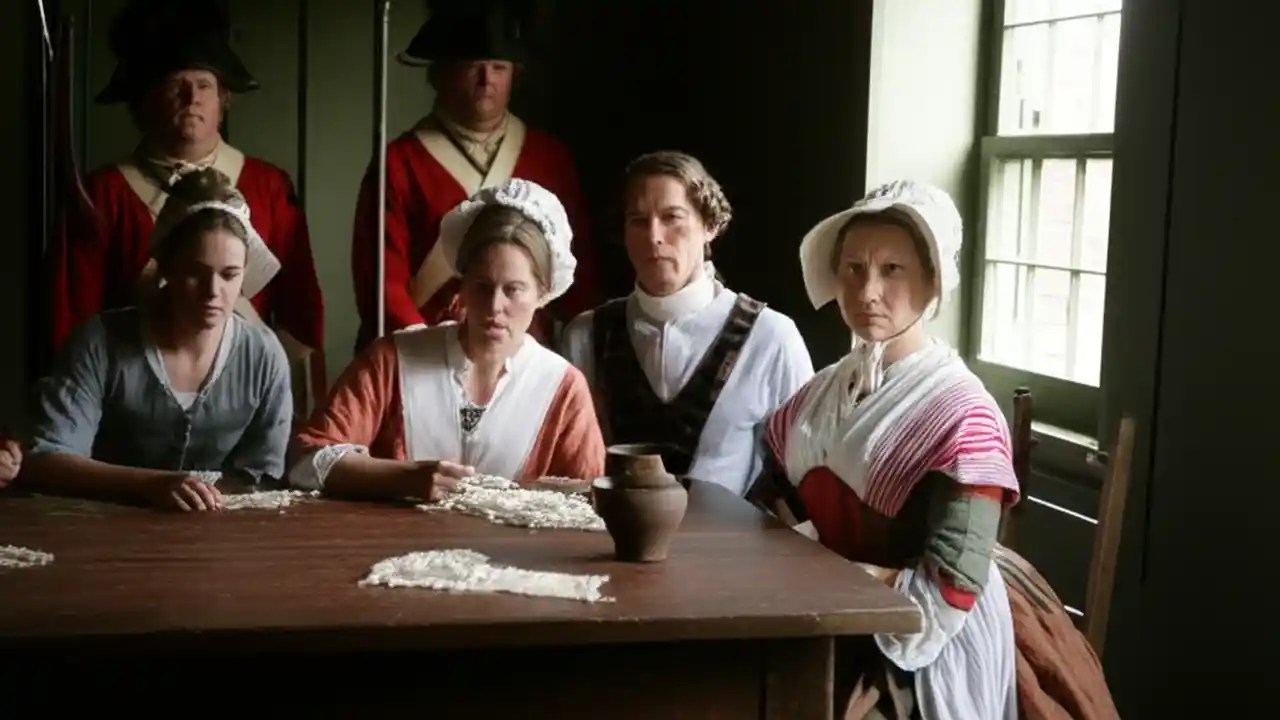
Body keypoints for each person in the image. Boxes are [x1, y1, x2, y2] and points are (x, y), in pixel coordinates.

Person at [750, 180, 1117, 718]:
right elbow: (775, 494)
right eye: (854, 268)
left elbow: (952, 581)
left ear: (932, 280)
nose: (867, 290)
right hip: (826, 613)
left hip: (928, 632)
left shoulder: (963, 412)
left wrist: (832, 575)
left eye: (891, 270)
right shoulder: (819, 394)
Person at [48, 0, 326, 406]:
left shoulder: (269, 186)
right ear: (144, 98)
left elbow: (301, 311)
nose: (191, 97)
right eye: (175, 84)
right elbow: (71, 320)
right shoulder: (103, 194)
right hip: (131, 400)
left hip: (245, 395)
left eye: (204, 84)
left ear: (224, 98)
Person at [292, 178, 603, 501]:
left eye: (513, 290)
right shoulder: (393, 360)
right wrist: (400, 477)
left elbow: (589, 502)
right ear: (462, 284)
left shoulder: (562, 388)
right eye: (482, 286)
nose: (495, 306)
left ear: (542, 292)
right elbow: (308, 460)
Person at [24, 170, 294, 512]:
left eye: (229, 275)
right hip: (103, 526)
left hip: (222, 535)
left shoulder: (263, 355)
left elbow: (264, 476)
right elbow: (48, 458)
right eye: (196, 272)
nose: (213, 292)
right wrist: (149, 484)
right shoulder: (101, 343)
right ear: (167, 267)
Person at [350, 0, 599, 352]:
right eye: (473, 66)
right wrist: (421, 358)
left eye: (498, 67)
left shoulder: (549, 157)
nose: (487, 80)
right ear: (441, 73)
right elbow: (381, 284)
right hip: (426, 350)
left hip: (526, 356)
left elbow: (580, 275)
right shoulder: (399, 162)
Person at [561, 151, 813, 497]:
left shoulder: (770, 338)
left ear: (709, 225)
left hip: (728, 546)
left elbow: (802, 476)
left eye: (672, 218)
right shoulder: (586, 335)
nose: (654, 236)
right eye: (638, 220)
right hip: (608, 542)